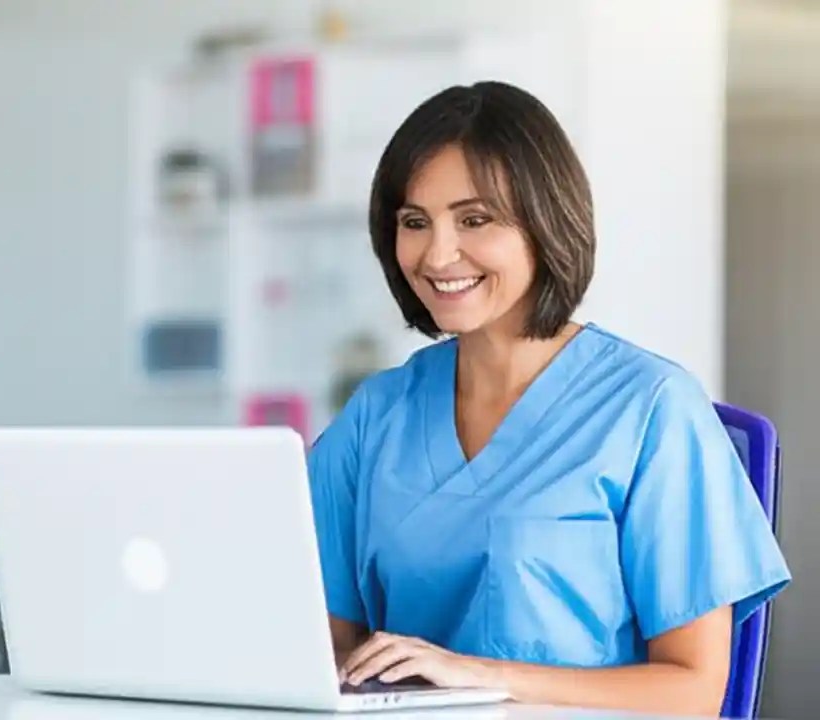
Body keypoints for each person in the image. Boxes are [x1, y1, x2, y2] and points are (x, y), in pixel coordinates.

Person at [307, 81, 791, 717]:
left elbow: (693, 689)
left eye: (474, 219)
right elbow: (318, 651)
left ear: (545, 219)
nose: (437, 253)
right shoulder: (376, 416)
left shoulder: (651, 408)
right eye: (414, 222)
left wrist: (473, 675)